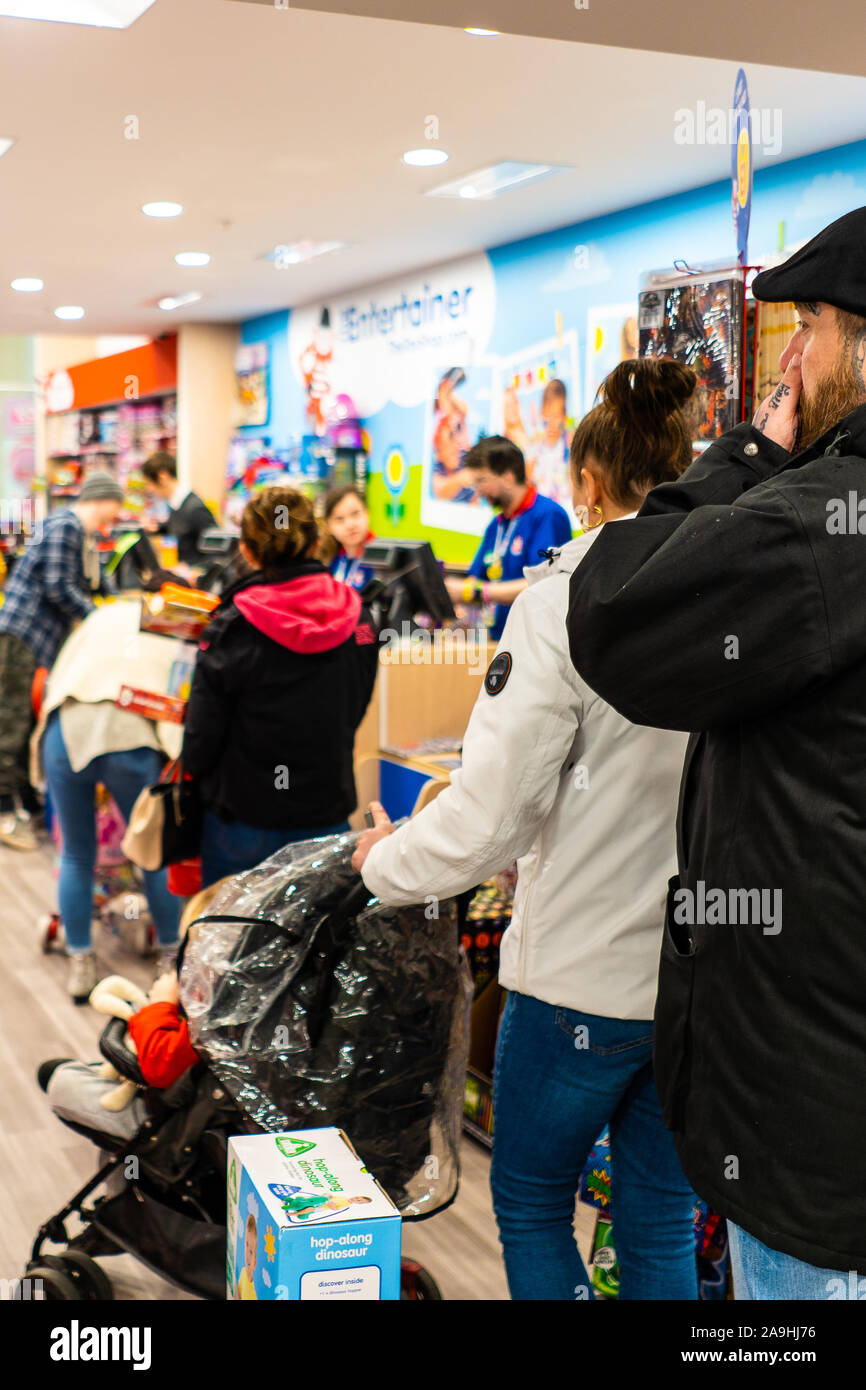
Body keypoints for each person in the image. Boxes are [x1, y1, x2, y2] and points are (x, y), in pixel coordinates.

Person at [566, 206, 866, 1299]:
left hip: (812, 1126)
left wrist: (744, 456)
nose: (788, 359)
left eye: (810, 327)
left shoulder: (824, 523)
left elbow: (614, 608)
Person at [353, 359, 699, 1301]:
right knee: (659, 1218)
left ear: (586, 483)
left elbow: (489, 821)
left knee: (535, 1202)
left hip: (578, 980)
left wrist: (384, 862)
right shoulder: (731, 595)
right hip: (696, 980)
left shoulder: (562, 602)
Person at [182, 487, 379, 888]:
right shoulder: (360, 620)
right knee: (317, 928)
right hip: (327, 811)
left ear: (247, 550)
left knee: (229, 927)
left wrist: (198, 785)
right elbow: (356, 705)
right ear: (318, 542)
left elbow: (201, 737)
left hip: (243, 818)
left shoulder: (230, 627)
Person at [32, 598, 182, 1001]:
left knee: (76, 854)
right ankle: (171, 961)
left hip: (66, 728)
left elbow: (56, 678)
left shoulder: (99, 616)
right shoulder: (169, 627)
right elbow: (178, 703)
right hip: (128, 733)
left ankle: (81, 961)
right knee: (152, 853)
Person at [0, 471, 124, 852]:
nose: (118, 515)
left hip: (37, 642)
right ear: (103, 499)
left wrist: (115, 605)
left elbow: (96, 582)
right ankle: (5, 813)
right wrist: (100, 618)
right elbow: (58, 587)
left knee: (28, 722)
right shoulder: (66, 527)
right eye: (116, 505)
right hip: (21, 637)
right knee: (11, 724)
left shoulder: (84, 536)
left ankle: (25, 803)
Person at [446, 435, 572, 641]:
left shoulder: (547, 516)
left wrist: (476, 592)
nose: (478, 491)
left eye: (482, 481)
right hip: (498, 640)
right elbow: (476, 579)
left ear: (507, 477)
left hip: (535, 642)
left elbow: (542, 584)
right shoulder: (496, 525)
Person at [140, 450, 217, 566]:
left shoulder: (195, 508)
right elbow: (183, 530)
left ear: (163, 477)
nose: (149, 489)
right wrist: (158, 528)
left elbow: (216, 550)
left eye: (150, 483)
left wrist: (193, 569)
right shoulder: (177, 504)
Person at [323, 485, 375, 593]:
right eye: (339, 519)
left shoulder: (380, 558)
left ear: (367, 512)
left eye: (355, 514)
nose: (350, 525)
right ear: (328, 525)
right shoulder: (333, 561)